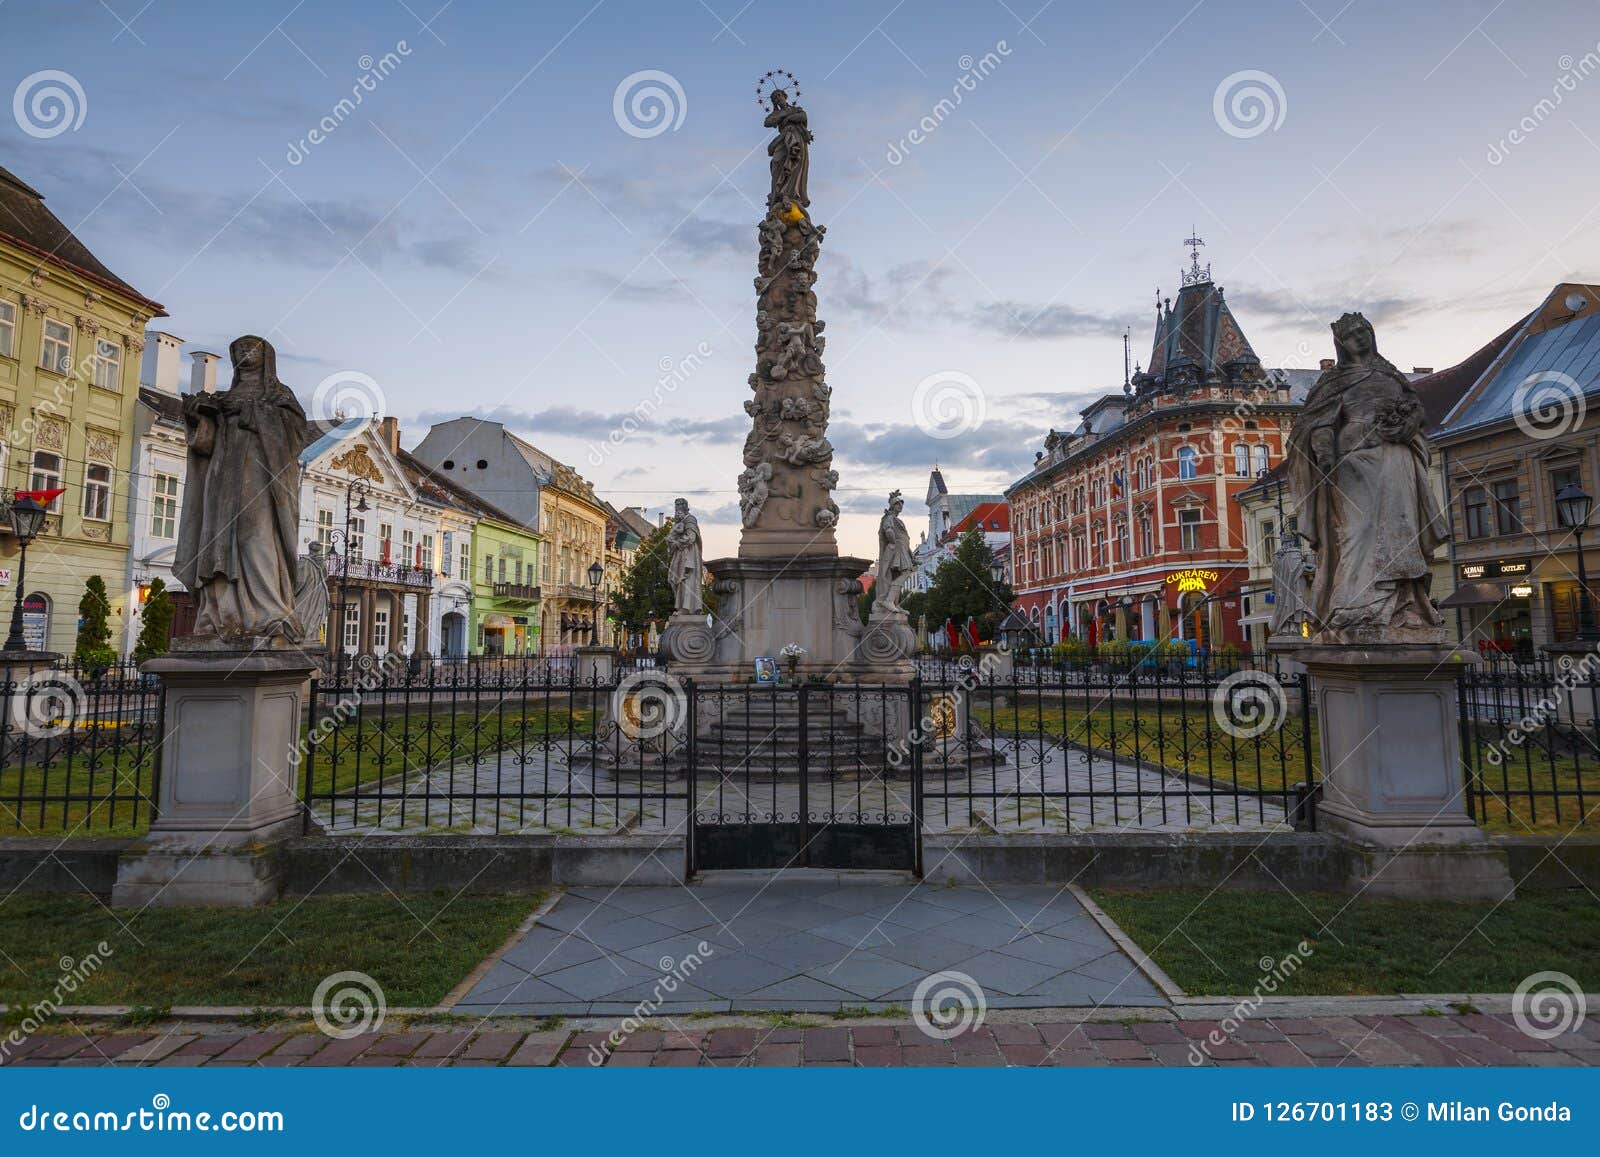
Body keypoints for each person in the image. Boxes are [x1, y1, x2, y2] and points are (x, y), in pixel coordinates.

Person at [1287, 313, 1447, 643]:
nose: (1360, 337)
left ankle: (1401, 605)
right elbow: (1317, 423)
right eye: (1352, 333)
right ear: (1340, 342)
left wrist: (1408, 422)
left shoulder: (1389, 374)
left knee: (1400, 528)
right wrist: (1324, 453)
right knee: (1353, 531)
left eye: (1364, 331)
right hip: (1352, 461)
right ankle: (1351, 603)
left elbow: (1416, 410)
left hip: (1394, 456)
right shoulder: (1333, 382)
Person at [175, 335, 308, 640]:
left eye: (252, 348)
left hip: (260, 477)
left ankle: (268, 610)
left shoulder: (278, 396)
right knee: (218, 541)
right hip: (222, 480)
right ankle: (223, 614)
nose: (245, 353)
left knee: (255, 538)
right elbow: (204, 445)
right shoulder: (224, 399)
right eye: (239, 349)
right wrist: (199, 417)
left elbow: (294, 438)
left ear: (267, 357)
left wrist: (251, 414)